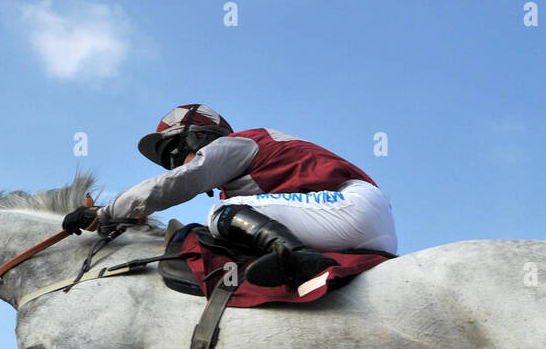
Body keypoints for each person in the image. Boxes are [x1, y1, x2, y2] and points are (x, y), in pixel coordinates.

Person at [63, 104, 397, 288]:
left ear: (199, 137)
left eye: (176, 153)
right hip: (361, 225)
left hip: (350, 206)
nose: (175, 164)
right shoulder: (245, 175)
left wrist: (105, 213)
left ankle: (294, 256)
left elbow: (177, 184)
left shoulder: (237, 144)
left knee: (222, 212)